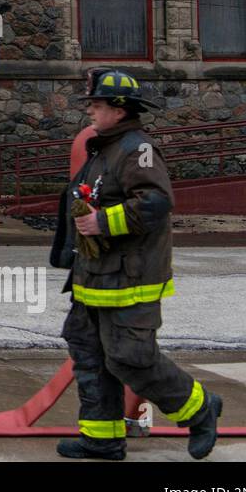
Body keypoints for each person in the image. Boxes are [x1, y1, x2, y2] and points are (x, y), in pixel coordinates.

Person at [55, 71, 222, 460]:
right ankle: (102, 439)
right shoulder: (104, 149)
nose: (91, 111)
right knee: (90, 355)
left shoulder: (137, 149)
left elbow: (155, 203)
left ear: (119, 108)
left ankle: (200, 410)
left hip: (129, 280)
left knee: (130, 357)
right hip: (94, 278)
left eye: (97, 105)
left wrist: (102, 221)